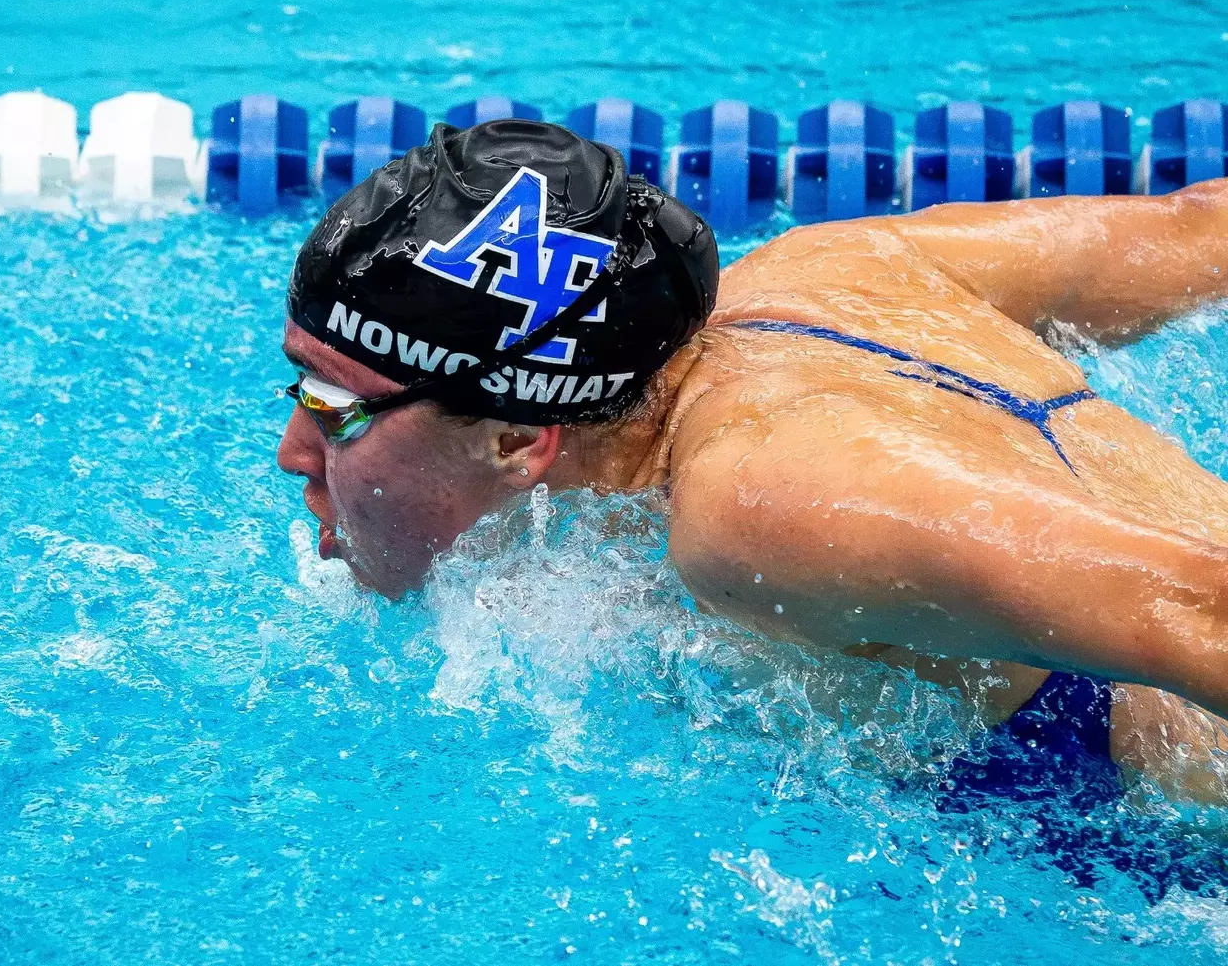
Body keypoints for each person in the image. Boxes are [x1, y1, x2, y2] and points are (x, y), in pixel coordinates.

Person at [276, 118, 1228, 801]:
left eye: (335, 410)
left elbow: (1201, 607)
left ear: (522, 437)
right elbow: (1199, 229)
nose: (293, 453)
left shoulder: (763, 503)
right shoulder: (827, 271)